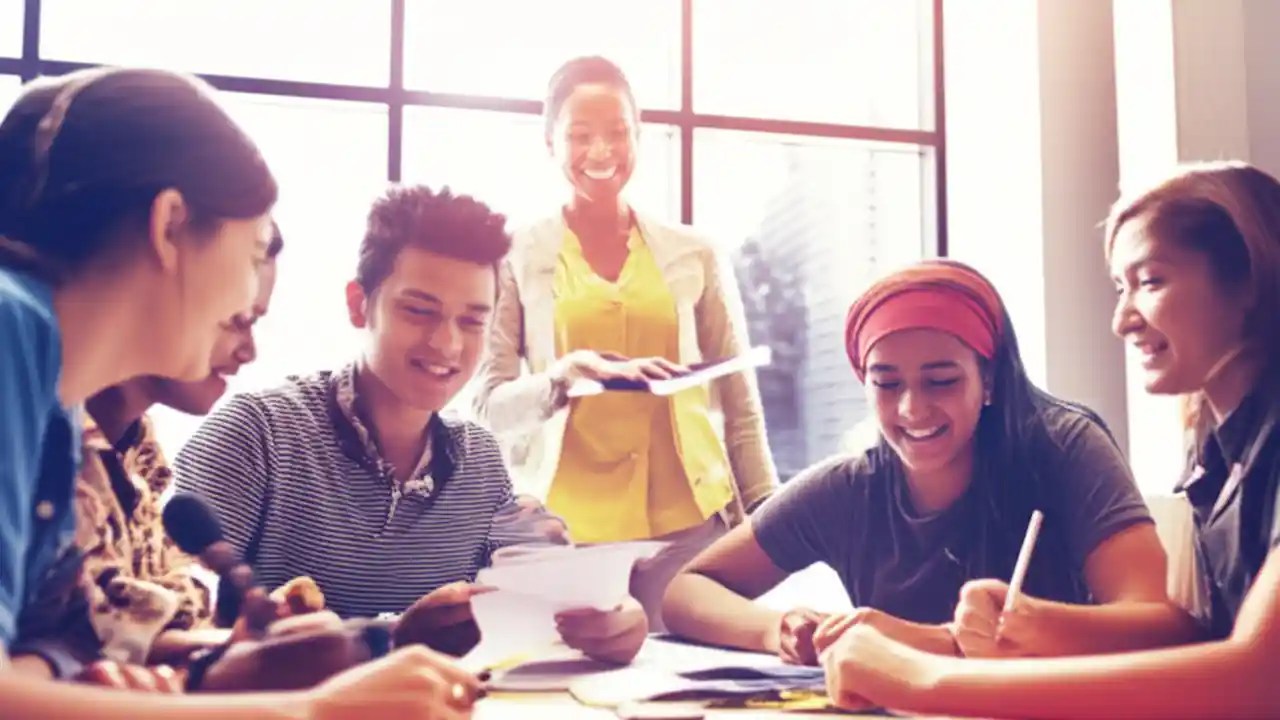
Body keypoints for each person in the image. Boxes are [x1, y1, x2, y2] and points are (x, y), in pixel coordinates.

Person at [0, 66, 477, 719]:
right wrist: (313, 712)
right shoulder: (10, 328)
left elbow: (45, 656)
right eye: (254, 253)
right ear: (170, 225)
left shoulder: (51, 406)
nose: (247, 308)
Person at [820, 162, 1280, 718]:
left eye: (1151, 281)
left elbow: (1259, 677)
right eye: (1120, 287)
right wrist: (1035, 625)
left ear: (1249, 281)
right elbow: (1201, 639)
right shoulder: (1219, 451)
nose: (1122, 320)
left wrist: (923, 679)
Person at [174, 183, 646, 664]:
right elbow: (167, 631)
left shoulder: (479, 461)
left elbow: (557, 584)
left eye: (472, 322)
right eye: (419, 312)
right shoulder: (257, 436)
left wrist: (614, 613)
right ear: (359, 305)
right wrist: (396, 638)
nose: (447, 344)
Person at [663, 259, 1200, 665]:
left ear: (988, 381)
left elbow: (1160, 626)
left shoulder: (1063, 448)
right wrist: (775, 628)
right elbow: (687, 590)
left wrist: (924, 641)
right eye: (886, 383)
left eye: (942, 381)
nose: (912, 409)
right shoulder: (849, 488)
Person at [474, 55, 778, 630]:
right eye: (580, 135)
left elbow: (740, 402)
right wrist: (561, 377)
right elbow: (488, 406)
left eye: (618, 133)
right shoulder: (517, 255)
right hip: (568, 533)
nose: (601, 152)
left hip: (692, 526)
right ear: (549, 142)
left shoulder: (696, 253)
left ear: (639, 136)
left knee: (698, 691)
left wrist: (769, 517)